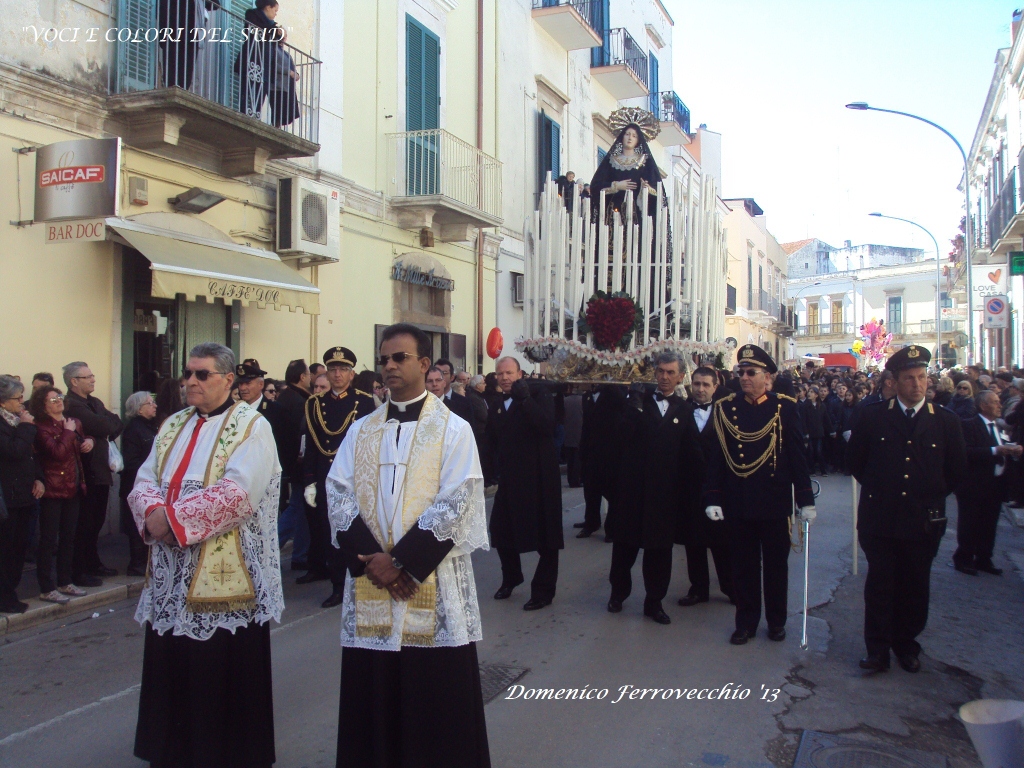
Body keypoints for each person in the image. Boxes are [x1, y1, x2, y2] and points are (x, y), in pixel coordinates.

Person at [326, 323, 490, 767]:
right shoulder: (361, 430)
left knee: (433, 695)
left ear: (423, 364)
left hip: (426, 578)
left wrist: (400, 561)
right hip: (374, 583)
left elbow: (458, 501)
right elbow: (338, 493)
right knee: (374, 691)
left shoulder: (454, 429)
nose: (389, 366)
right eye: (383, 359)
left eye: (399, 358)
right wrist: (372, 563)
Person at [127, 342, 282, 768]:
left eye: (202, 375)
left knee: (218, 674)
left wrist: (171, 521)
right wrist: (153, 512)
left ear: (228, 380)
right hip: (170, 572)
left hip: (224, 575)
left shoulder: (252, 426)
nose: (190, 382)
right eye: (187, 374)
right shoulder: (172, 424)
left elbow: (239, 493)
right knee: (173, 668)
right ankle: (172, 753)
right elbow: (144, 478)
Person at [847, 345, 966, 674]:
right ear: (894, 382)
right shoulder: (873, 416)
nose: (917, 384)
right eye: (909, 378)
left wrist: (927, 494)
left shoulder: (945, 421)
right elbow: (856, 462)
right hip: (880, 519)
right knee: (880, 586)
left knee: (915, 586)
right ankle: (878, 650)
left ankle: (906, 644)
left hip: (922, 521)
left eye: (922, 377)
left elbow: (956, 470)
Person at [704, 345, 815, 645]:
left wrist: (805, 499)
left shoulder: (785, 408)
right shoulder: (725, 407)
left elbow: (796, 456)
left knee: (776, 567)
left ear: (768, 378)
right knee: (743, 566)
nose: (744, 378)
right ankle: (746, 622)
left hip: (774, 501)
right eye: (741, 372)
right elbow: (717, 456)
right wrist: (712, 497)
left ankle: (776, 621)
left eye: (751, 373)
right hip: (738, 500)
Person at [606, 354, 705, 625]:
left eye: (670, 372)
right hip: (633, 490)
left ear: (680, 376)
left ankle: (654, 602)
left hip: (664, 494)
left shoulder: (684, 410)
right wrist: (633, 406)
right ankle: (618, 593)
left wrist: (702, 489)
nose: (664, 377)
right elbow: (621, 437)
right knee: (625, 547)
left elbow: (692, 452)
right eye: (660, 371)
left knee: (659, 552)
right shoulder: (639, 402)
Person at [300, 347, 375, 608]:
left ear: (351, 373)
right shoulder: (314, 404)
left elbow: (369, 443)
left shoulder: (364, 402)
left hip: (354, 475)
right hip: (325, 476)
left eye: (343, 369)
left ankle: (360, 577)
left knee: (354, 529)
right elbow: (311, 444)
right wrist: (309, 479)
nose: (337, 374)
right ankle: (337, 585)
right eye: (332, 369)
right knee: (329, 530)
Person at [487, 356, 563, 609]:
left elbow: (546, 426)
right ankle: (512, 577)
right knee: (499, 531)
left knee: (546, 538)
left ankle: (543, 591)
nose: (505, 377)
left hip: (539, 477)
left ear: (520, 374)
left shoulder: (539, 395)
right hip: (510, 480)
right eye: (500, 374)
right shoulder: (497, 403)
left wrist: (525, 399)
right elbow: (493, 441)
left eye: (509, 372)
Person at [62, 361, 123, 586]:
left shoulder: (94, 402)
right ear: (74, 381)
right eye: (87, 377)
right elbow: (106, 426)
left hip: (101, 473)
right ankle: (79, 569)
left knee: (95, 522)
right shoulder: (73, 405)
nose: (93, 379)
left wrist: (101, 430)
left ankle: (92, 562)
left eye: (92, 375)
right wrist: (103, 429)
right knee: (84, 524)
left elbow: (116, 422)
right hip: (85, 474)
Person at [31, 385, 93, 605]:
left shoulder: (73, 422)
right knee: (49, 539)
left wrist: (89, 441)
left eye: (59, 397)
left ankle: (65, 580)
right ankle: (46, 587)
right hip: (52, 488)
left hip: (73, 486)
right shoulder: (40, 427)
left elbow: (79, 444)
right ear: (43, 404)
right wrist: (67, 432)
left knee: (69, 536)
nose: (58, 401)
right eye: (52, 399)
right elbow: (56, 453)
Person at [679, 366, 733, 608]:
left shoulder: (726, 414)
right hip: (689, 489)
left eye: (705, 385)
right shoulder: (681, 411)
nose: (700, 389)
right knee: (694, 542)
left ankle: (730, 587)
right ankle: (698, 588)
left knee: (721, 543)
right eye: (697, 384)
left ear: (715, 387)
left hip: (718, 489)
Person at [952, 390, 1021, 577]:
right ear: (983, 405)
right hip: (974, 484)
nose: (1000, 405)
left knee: (989, 524)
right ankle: (964, 558)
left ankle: (984, 558)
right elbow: (966, 452)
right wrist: (995, 450)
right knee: (969, 523)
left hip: (994, 485)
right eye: (995, 402)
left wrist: (1012, 450)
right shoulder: (969, 425)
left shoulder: (996, 427)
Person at [0, 376, 43, 614]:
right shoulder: (8, 425)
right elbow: (13, 451)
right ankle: (5, 596)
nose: (22, 403)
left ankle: (10, 592)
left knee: (19, 547)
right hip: (9, 497)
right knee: (7, 549)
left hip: (25, 493)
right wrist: (27, 426)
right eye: (17, 399)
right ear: (3, 402)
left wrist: (39, 478)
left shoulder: (17, 421)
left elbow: (30, 455)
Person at [275, 359, 313, 571]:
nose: (310, 379)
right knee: (297, 508)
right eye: (308, 375)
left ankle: (299, 553)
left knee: (299, 509)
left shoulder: (286, 396)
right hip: (298, 465)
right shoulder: (299, 401)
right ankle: (277, 548)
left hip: (290, 464)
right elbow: (300, 437)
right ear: (302, 377)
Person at [576, 385, 627, 538]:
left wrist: (609, 383)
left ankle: (611, 528)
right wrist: (583, 450)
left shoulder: (615, 392)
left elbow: (622, 405)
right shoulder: (587, 396)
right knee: (591, 491)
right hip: (591, 450)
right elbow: (586, 425)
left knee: (612, 491)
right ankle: (591, 523)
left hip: (611, 451)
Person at [119, 391, 159, 577]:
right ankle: (137, 563)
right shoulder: (134, 429)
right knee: (137, 526)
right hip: (137, 485)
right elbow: (132, 461)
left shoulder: (151, 427)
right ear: (139, 408)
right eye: (150, 403)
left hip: (150, 484)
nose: (154, 406)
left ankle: (145, 560)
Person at [433, 358, 474, 425]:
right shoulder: (426, 401)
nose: (440, 377)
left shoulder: (464, 403)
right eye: (437, 373)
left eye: (444, 373)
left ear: (452, 377)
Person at [562, 386, 583, 488]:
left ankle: (570, 479)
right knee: (577, 460)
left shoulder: (565, 401)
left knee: (570, 459)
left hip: (568, 432)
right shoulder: (582, 400)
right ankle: (576, 480)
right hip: (579, 433)